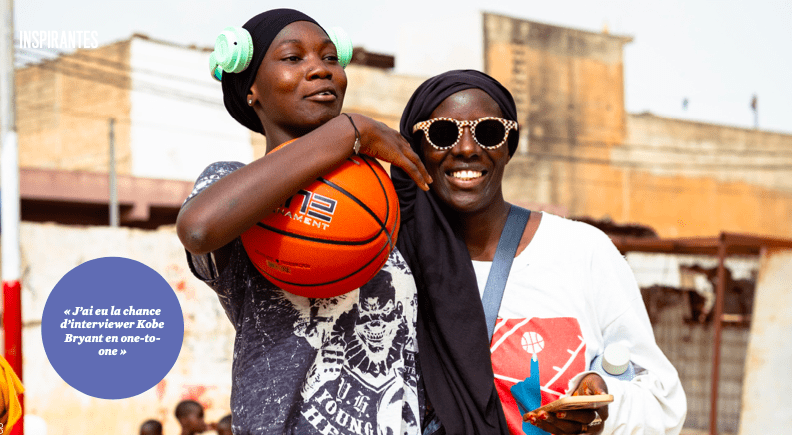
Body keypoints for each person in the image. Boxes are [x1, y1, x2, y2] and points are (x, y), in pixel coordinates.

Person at [176, 8, 431, 435]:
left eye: (331, 58)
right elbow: (199, 227)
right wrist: (348, 132)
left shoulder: (381, 195)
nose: (320, 70)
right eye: (293, 58)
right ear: (250, 88)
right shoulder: (228, 182)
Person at [392, 70, 687, 435]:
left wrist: (604, 410)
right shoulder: (388, 263)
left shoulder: (582, 252)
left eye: (487, 131)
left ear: (508, 145)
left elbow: (663, 402)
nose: (467, 148)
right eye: (442, 132)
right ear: (415, 148)